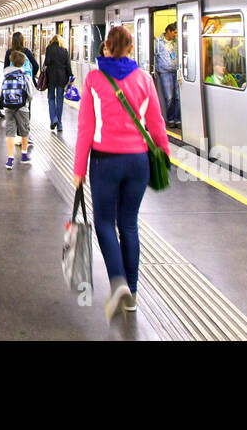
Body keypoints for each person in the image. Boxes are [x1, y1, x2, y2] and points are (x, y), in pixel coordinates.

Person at [72, 24, 168, 323]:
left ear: (106, 48)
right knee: (129, 225)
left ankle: (118, 282)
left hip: (105, 161)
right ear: (130, 48)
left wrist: (78, 169)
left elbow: (86, 127)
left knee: (104, 223)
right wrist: (163, 155)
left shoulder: (94, 79)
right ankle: (133, 296)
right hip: (138, 161)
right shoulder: (144, 79)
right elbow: (156, 123)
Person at [1, 51, 34, 170]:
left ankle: (10, 158)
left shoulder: (6, 75)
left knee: (10, 132)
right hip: (22, 107)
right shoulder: (25, 76)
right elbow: (30, 94)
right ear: (23, 63)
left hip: (9, 107)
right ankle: (24, 154)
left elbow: (2, 90)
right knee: (25, 130)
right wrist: (26, 101)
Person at [43, 33, 73, 133]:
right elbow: (68, 65)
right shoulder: (64, 50)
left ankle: (53, 119)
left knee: (51, 98)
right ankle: (59, 124)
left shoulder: (49, 49)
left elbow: (46, 62)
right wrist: (71, 76)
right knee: (60, 100)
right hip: (62, 78)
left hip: (51, 78)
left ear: (52, 41)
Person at [154, 23, 180, 127]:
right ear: (168, 31)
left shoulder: (177, 43)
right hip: (165, 71)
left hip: (177, 71)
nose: (176, 35)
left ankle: (177, 119)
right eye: (174, 32)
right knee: (169, 97)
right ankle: (170, 118)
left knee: (178, 97)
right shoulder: (158, 43)